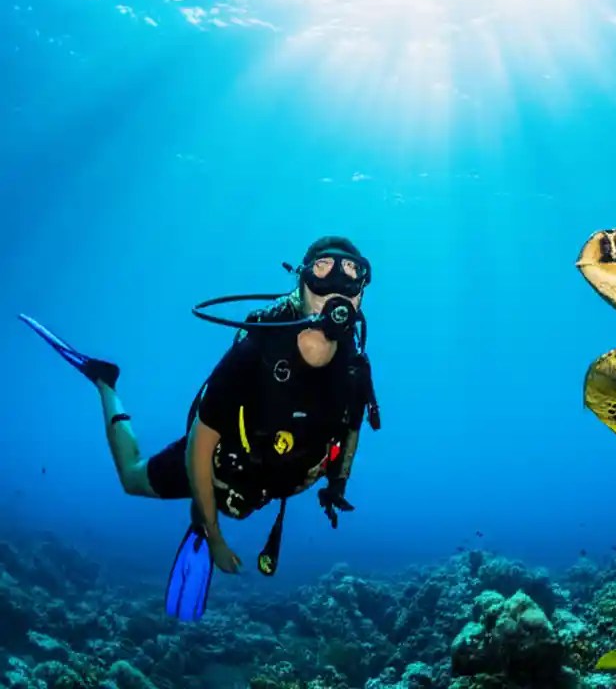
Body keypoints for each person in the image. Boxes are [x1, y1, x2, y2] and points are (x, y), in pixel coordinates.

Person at [18, 236, 381, 621]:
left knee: (237, 508)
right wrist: (214, 536)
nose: (337, 286)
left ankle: (209, 512)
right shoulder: (257, 348)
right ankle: (106, 384)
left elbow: (352, 427)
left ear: (361, 295)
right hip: (220, 466)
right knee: (132, 477)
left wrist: (336, 483)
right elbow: (199, 445)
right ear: (301, 283)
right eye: (323, 270)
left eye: (352, 275)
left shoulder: (354, 367)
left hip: (269, 482)